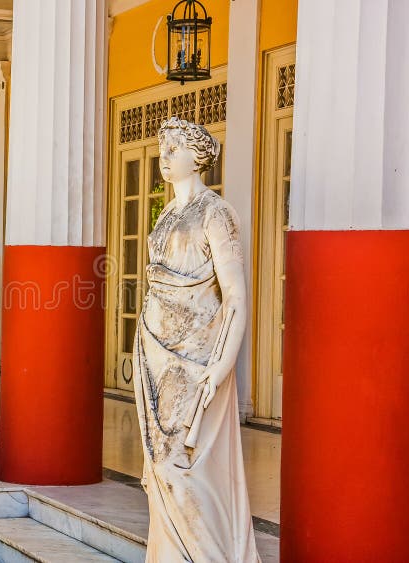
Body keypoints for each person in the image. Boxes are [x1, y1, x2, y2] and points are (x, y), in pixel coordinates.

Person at [133, 118, 259, 562]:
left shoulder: (215, 212)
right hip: (156, 354)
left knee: (184, 466)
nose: (164, 157)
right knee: (159, 465)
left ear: (197, 155)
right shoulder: (167, 213)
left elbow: (236, 297)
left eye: (174, 148)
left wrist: (220, 368)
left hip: (197, 358)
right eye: (162, 148)